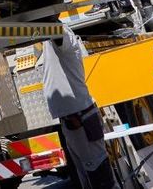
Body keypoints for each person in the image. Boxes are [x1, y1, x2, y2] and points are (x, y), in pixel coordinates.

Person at [43, 27, 119, 188]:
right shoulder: (56, 42)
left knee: (97, 170)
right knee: (87, 174)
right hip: (74, 117)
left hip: (80, 117)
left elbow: (53, 28)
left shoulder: (64, 36)